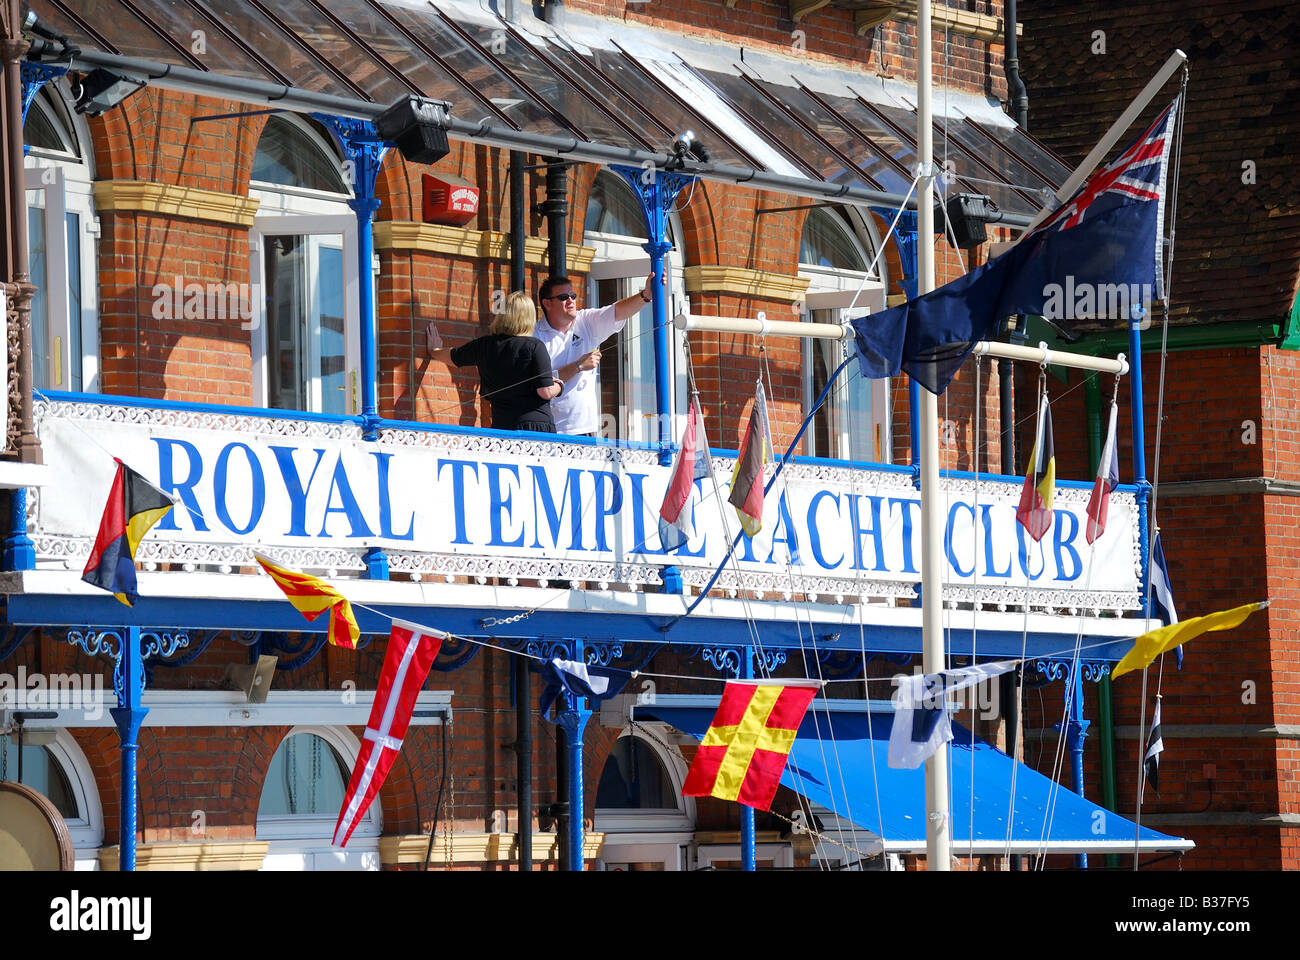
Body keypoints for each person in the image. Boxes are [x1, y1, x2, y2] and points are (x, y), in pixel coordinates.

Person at [535, 274, 659, 436]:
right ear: (547, 303)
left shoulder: (585, 321)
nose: (571, 300)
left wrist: (646, 295)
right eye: (563, 297)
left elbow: (618, 311)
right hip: (550, 429)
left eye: (572, 295)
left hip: (585, 428)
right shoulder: (535, 335)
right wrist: (578, 366)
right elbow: (541, 385)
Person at [426, 291, 562, 432]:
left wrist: (434, 350)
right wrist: (559, 385)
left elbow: (454, 357)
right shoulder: (535, 346)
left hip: (502, 427)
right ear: (529, 318)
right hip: (536, 427)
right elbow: (545, 391)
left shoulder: (485, 345)